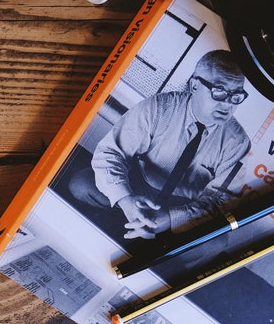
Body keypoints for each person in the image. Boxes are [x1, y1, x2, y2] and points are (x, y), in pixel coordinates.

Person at [69, 50, 252, 241]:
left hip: (183, 205)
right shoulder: (158, 107)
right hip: (139, 184)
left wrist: (172, 218)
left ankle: (149, 231)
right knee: (81, 183)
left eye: (236, 96)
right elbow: (110, 153)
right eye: (220, 92)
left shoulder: (238, 143)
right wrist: (126, 200)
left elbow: (222, 201)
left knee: (218, 243)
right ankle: (127, 217)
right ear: (195, 86)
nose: (228, 105)